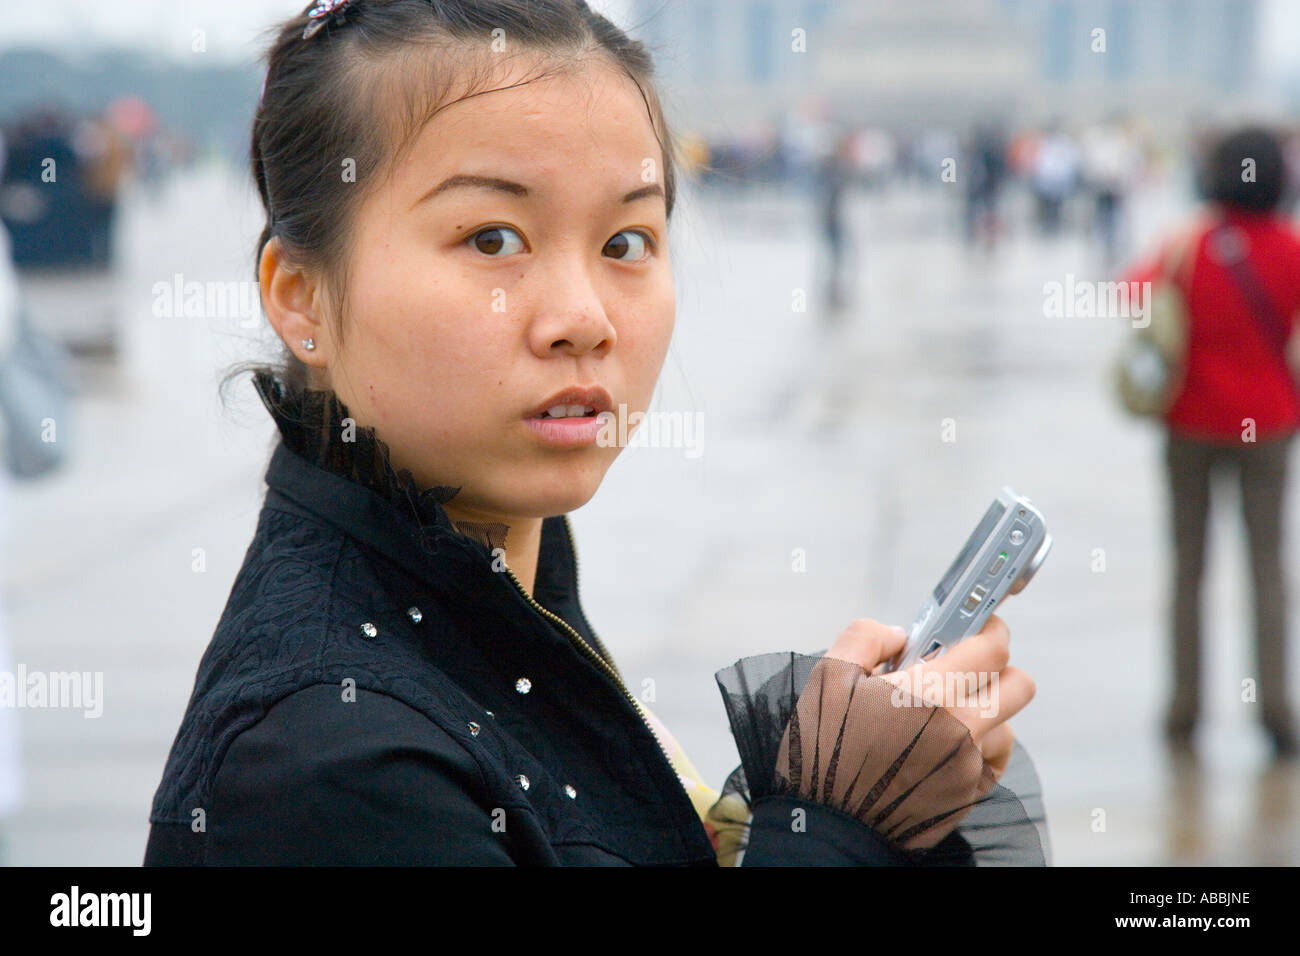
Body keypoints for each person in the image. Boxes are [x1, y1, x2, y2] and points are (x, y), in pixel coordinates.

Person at [143, 0, 1043, 866]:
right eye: (493, 239)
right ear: (301, 297)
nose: (582, 319)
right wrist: (838, 826)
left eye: (625, 242)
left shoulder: (506, 589)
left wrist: (873, 784)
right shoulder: (322, 769)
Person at [1119, 127, 1300, 760]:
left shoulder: (1186, 244)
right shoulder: (1290, 246)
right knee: (1268, 571)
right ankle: (1276, 711)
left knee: (1188, 571)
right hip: (1269, 426)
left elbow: (1133, 293)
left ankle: (1184, 709)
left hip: (1190, 424)